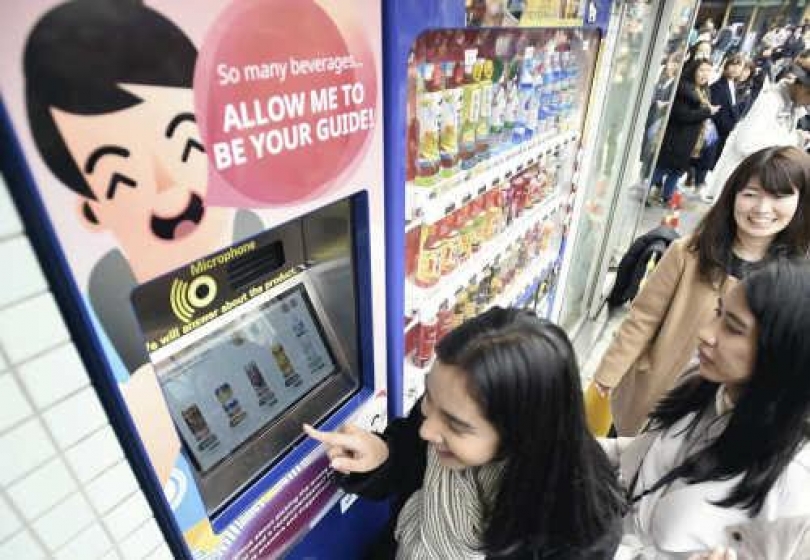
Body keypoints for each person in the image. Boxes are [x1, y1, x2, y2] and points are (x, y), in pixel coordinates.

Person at [23, 0, 263, 482]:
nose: (171, 196)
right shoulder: (108, 289)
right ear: (91, 211)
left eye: (188, 144)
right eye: (122, 177)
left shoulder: (248, 230)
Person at [306, 307, 625, 559]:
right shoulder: (451, 400)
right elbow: (409, 453)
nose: (428, 429)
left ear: (522, 437)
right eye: (429, 397)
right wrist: (381, 455)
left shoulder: (580, 534)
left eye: (456, 426)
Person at [593, 146, 810, 436]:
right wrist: (609, 373)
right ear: (732, 195)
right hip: (654, 390)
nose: (762, 208)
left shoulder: (795, 282)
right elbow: (643, 317)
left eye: (780, 196)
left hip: (721, 417)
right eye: (750, 194)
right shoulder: (688, 253)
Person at [603, 258, 810, 558]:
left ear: (781, 354)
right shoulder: (703, 381)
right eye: (718, 313)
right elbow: (646, 456)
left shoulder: (794, 485)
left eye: (733, 328)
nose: (706, 333)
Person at [702, 55, 810, 203]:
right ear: (803, 88)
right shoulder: (771, 100)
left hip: (752, 185)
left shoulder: (790, 105)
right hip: (739, 184)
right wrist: (793, 140)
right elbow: (746, 143)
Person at [650, 59, 719, 206]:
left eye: (708, 71)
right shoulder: (684, 89)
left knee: (676, 170)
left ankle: (667, 197)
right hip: (676, 136)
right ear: (693, 70)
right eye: (702, 70)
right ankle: (647, 191)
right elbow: (682, 115)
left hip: (690, 139)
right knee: (663, 167)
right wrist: (707, 111)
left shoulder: (704, 91)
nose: (705, 74)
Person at [709, 55, 745, 172]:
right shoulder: (718, 86)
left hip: (725, 131)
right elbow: (716, 111)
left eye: (739, 66)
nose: (735, 69)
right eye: (733, 65)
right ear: (726, 67)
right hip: (718, 130)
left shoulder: (733, 85)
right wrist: (728, 126)